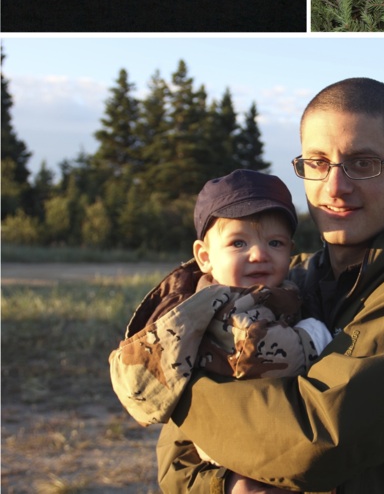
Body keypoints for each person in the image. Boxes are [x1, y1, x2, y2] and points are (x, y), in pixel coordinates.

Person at [157, 77, 384, 494]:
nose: (335, 188)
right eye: (317, 163)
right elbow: (174, 457)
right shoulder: (291, 281)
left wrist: (171, 386)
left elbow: (316, 439)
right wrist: (225, 483)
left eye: (363, 163)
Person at [109, 170, 331, 481]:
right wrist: (315, 334)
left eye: (275, 243)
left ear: (290, 250)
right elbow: (256, 353)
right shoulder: (222, 303)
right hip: (233, 440)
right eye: (238, 243)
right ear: (204, 257)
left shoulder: (263, 291)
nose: (259, 254)